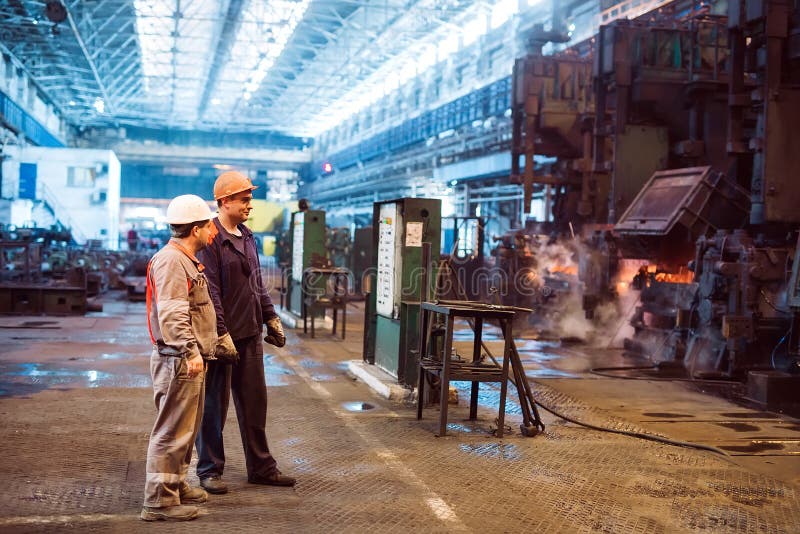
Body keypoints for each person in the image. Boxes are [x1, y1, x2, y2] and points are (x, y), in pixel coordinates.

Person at [195, 171, 294, 495]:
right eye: (245, 200)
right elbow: (210, 291)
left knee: (254, 404)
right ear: (224, 202)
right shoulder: (210, 238)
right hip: (222, 340)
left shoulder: (248, 236)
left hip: (250, 335)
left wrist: (271, 316)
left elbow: (257, 282)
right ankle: (210, 470)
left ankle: (261, 468)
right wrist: (220, 333)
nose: (250, 205)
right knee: (213, 408)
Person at [141, 195, 217, 522]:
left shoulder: (185, 260)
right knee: (172, 431)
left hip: (186, 359)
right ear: (195, 229)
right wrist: (190, 350)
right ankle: (159, 501)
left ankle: (176, 485)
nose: (213, 231)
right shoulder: (172, 261)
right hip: (178, 359)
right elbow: (172, 314)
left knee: (186, 429)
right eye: (209, 226)